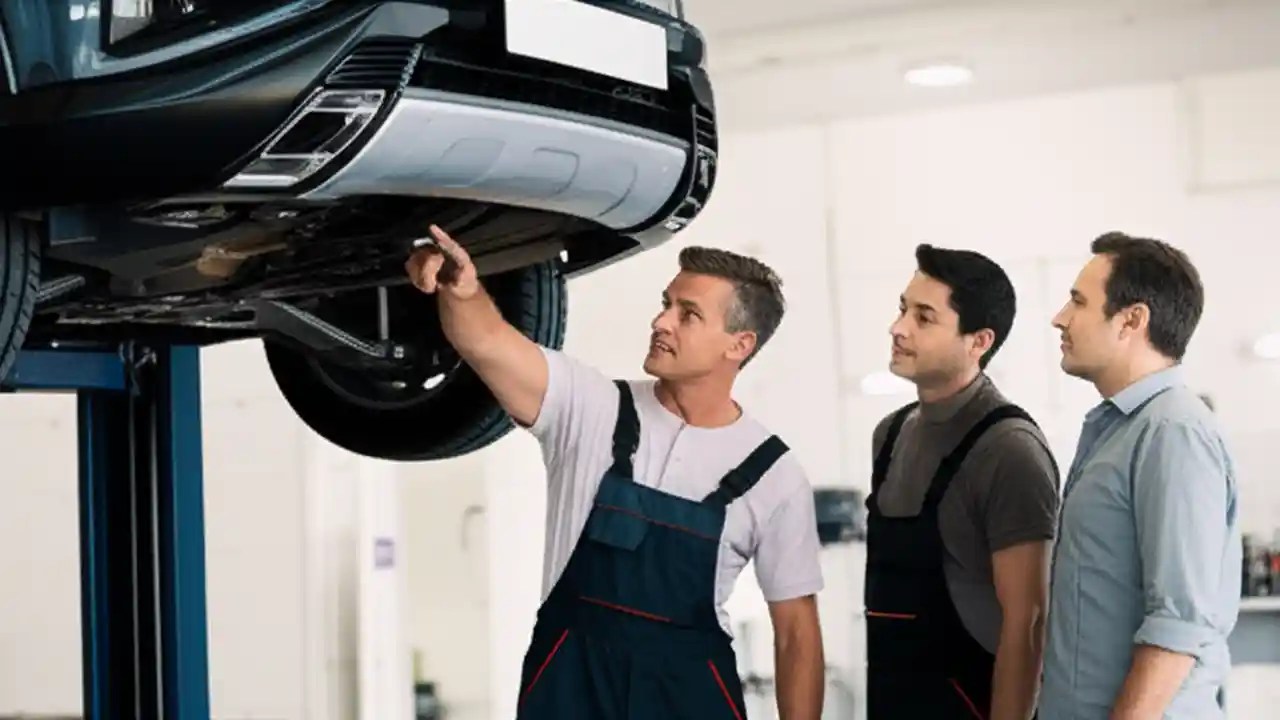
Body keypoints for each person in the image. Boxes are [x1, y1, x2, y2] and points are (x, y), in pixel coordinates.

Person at [405, 225, 826, 719]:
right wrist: (464, 291)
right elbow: (489, 342)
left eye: (687, 314)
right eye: (666, 303)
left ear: (738, 345)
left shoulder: (772, 474)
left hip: (687, 698)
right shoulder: (591, 407)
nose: (660, 321)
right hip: (570, 691)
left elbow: (797, 634)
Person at [1040, 232, 1241, 720]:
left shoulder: (1173, 431)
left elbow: (1179, 623)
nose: (1060, 318)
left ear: (1132, 319)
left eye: (1078, 302)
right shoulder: (1120, 429)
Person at [865, 244, 1060, 720]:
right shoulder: (889, 435)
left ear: (979, 341)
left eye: (924, 317)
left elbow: (1028, 622)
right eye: (902, 309)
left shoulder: (1008, 449)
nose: (898, 328)